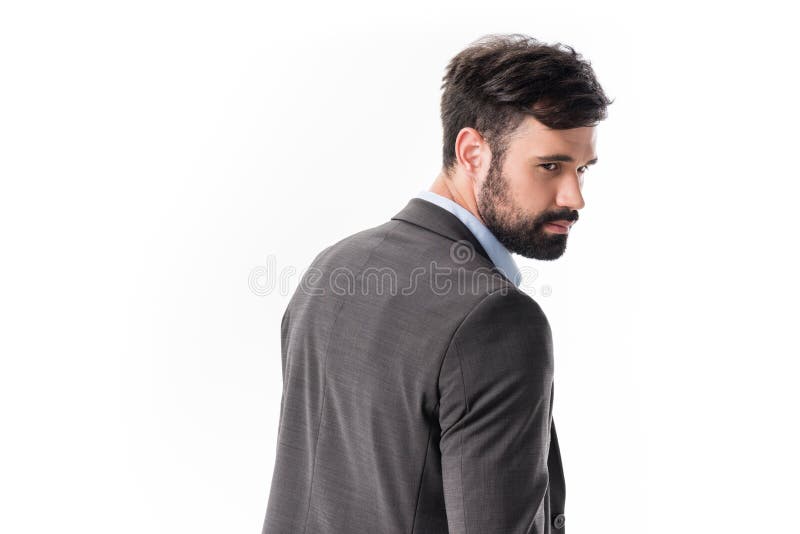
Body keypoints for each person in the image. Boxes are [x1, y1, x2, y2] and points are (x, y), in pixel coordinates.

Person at [262, 33, 612, 534]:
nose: (574, 196)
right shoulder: (496, 317)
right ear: (472, 152)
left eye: (582, 169)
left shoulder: (333, 267)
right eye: (550, 166)